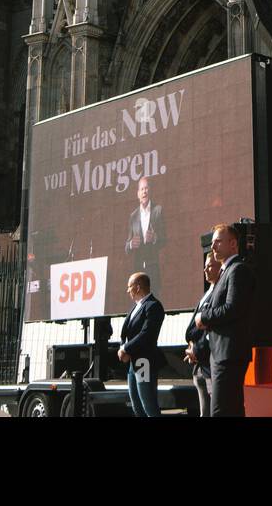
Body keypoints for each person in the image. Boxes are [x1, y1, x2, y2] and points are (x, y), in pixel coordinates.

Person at [194, 223, 256, 416]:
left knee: (221, 411)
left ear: (233, 244)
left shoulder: (238, 270)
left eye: (218, 241)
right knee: (232, 410)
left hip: (229, 354)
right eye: (212, 243)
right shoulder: (224, 273)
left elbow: (233, 308)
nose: (213, 247)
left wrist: (204, 317)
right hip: (220, 353)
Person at [117, 272, 165, 417]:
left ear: (138, 287)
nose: (128, 291)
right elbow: (126, 332)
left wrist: (126, 348)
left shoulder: (153, 306)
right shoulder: (136, 307)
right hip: (133, 362)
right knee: (136, 406)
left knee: (148, 404)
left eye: (129, 287)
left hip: (144, 361)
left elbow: (146, 334)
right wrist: (122, 347)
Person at [184, 252, 221, 417]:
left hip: (209, 362)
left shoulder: (219, 292)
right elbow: (194, 327)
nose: (205, 270)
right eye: (204, 266)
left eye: (210, 266)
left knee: (213, 411)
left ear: (221, 268)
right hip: (198, 365)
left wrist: (197, 350)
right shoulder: (208, 291)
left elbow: (211, 328)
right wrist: (191, 346)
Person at [125, 176, 166, 285]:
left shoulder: (158, 210)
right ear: (138, 194)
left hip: (153, 267)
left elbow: (164, 239)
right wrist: (130, 244)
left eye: (146, 188)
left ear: (150, 191)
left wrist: (154, 238)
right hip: (138, 269)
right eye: (142, 189)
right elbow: (126, 246)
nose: (144, 192)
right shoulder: (133, 216)